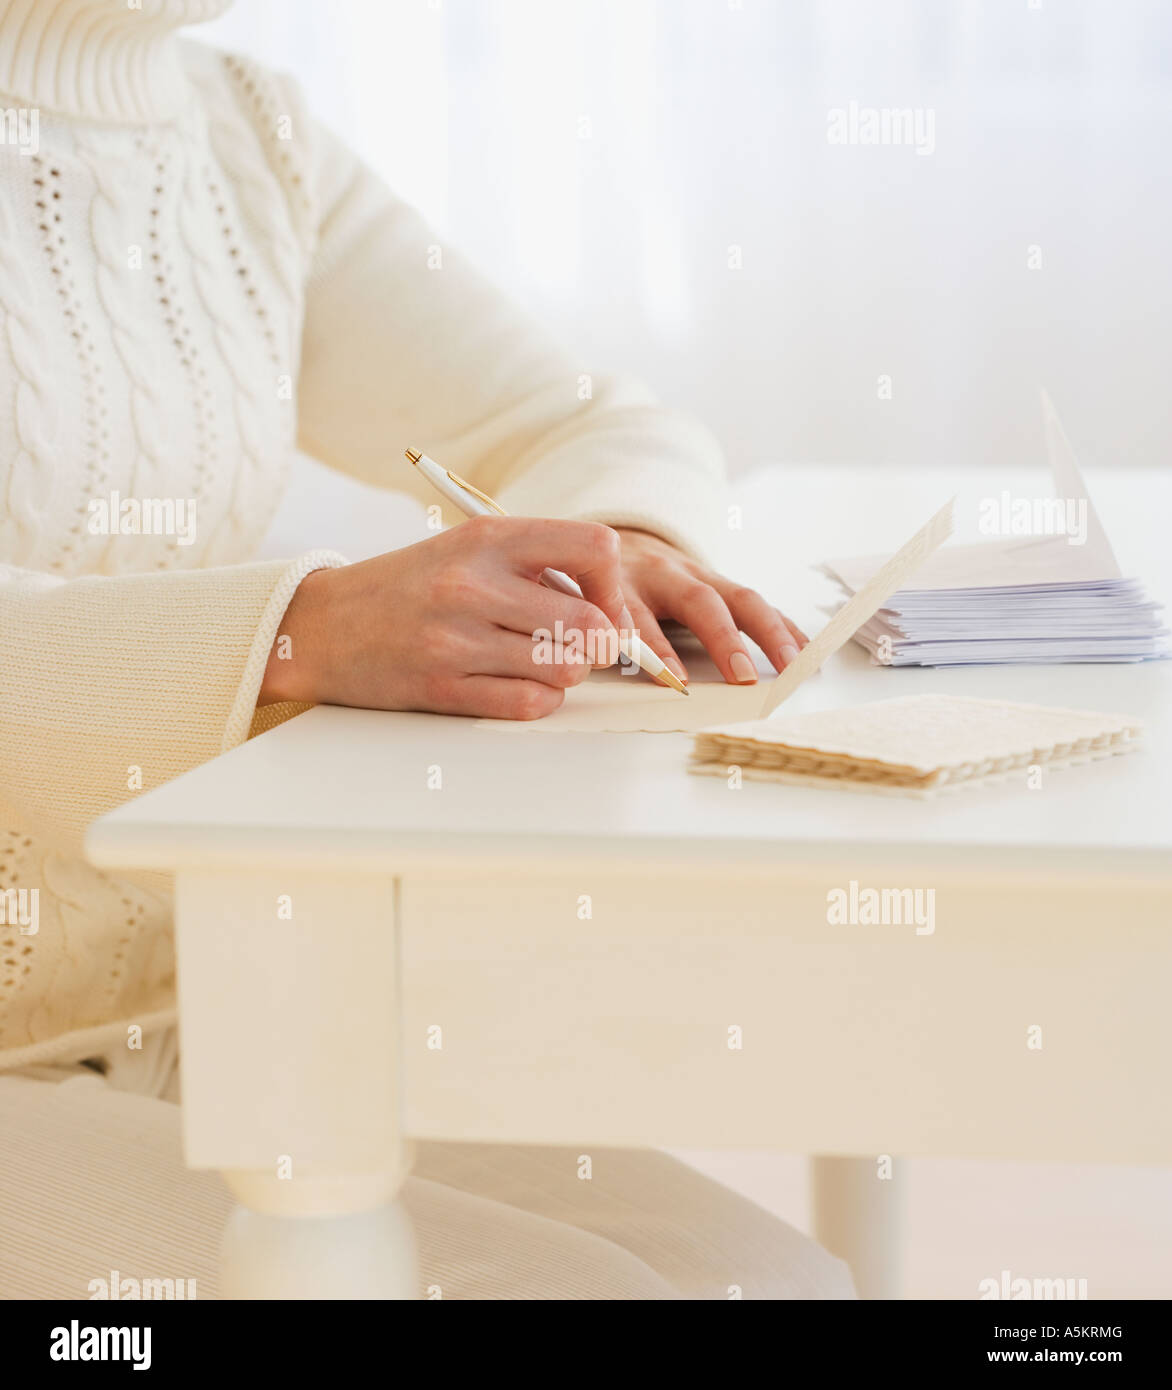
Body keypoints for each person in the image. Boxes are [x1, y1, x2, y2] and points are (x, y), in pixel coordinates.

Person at [0, 0, 848, 1299]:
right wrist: (300, 630)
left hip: (197, 1008)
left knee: (767, 1281)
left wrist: (611, 542)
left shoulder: (246, 134)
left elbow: (576, 414)